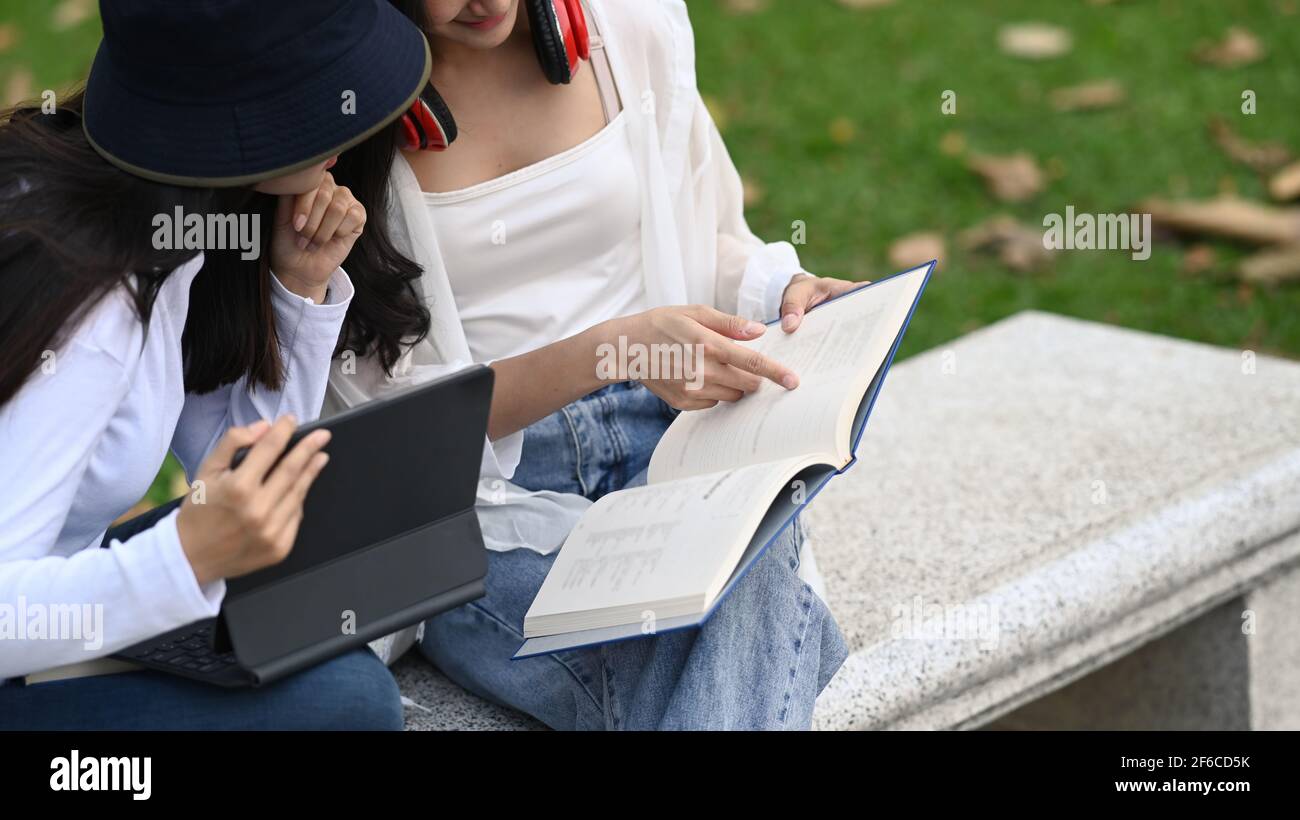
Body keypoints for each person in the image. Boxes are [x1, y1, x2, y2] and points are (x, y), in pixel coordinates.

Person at [327, 0, 852, 729]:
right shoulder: (339, 129)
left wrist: (783, 291)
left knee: (744, 562)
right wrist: (612, 349)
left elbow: (707, 231)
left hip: (677, 441)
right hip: (479, 515)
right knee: (757, 599)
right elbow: (397, 437)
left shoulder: (631, 31)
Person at [0, 0, 436, 730]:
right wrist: (184, 559)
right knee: (347, 704)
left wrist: (295, 288)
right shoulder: (94, 308)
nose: (348, 111)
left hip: (52, 577)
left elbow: (227, 458)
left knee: (313, 628)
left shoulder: (166, 216)